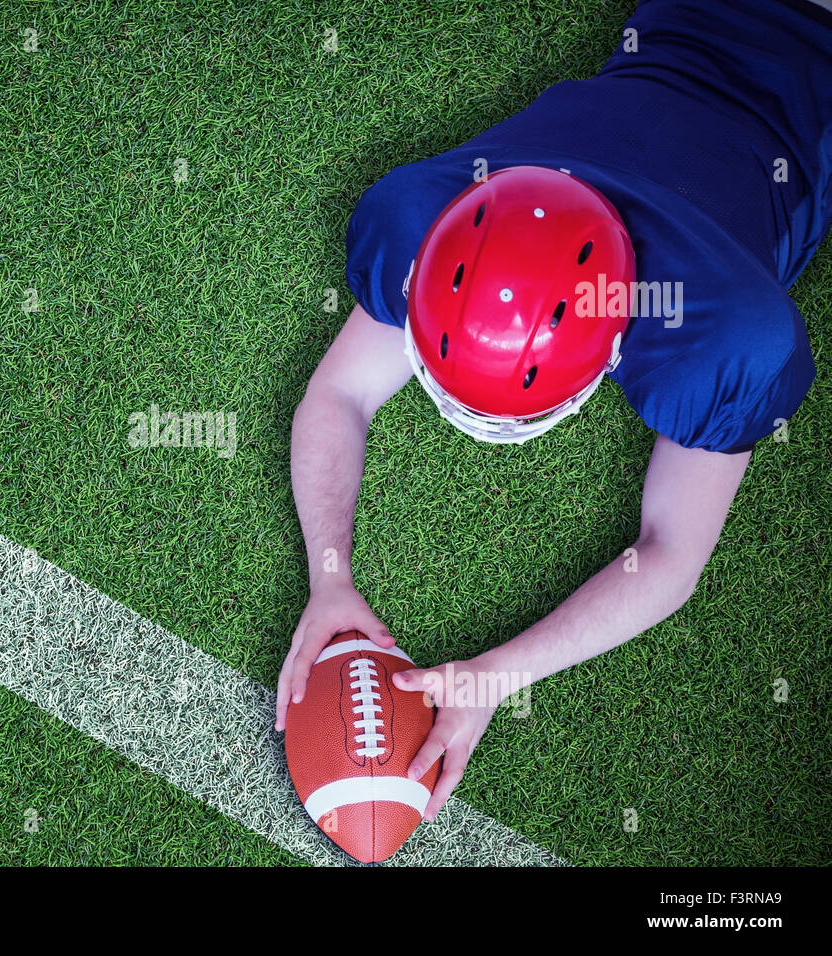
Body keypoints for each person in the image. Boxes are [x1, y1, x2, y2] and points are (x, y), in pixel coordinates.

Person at [276, 0, 832, 823]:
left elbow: (672, 556)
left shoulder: (726, 340)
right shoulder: (427, 224)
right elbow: (339, 394)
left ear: (615, 345)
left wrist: (502, 673)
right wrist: (330, 580)